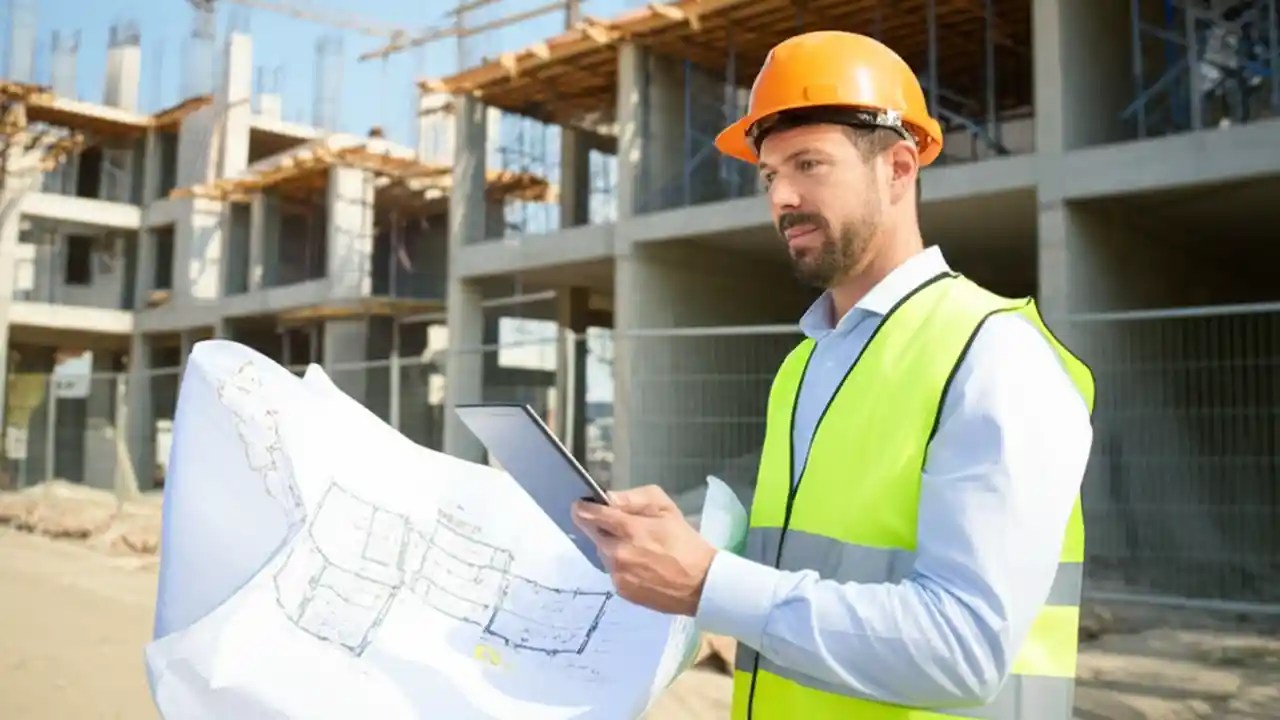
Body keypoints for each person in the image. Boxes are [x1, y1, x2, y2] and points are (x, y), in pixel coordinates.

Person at [571, 30, 1095, 720]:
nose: (781, 196)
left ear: (900, 168)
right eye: (768, 174)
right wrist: (697, 553)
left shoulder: (994, 355)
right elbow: (810, 573)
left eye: (809, 164)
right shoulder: (806, 363)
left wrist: (707, 581)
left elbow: (965, 649)